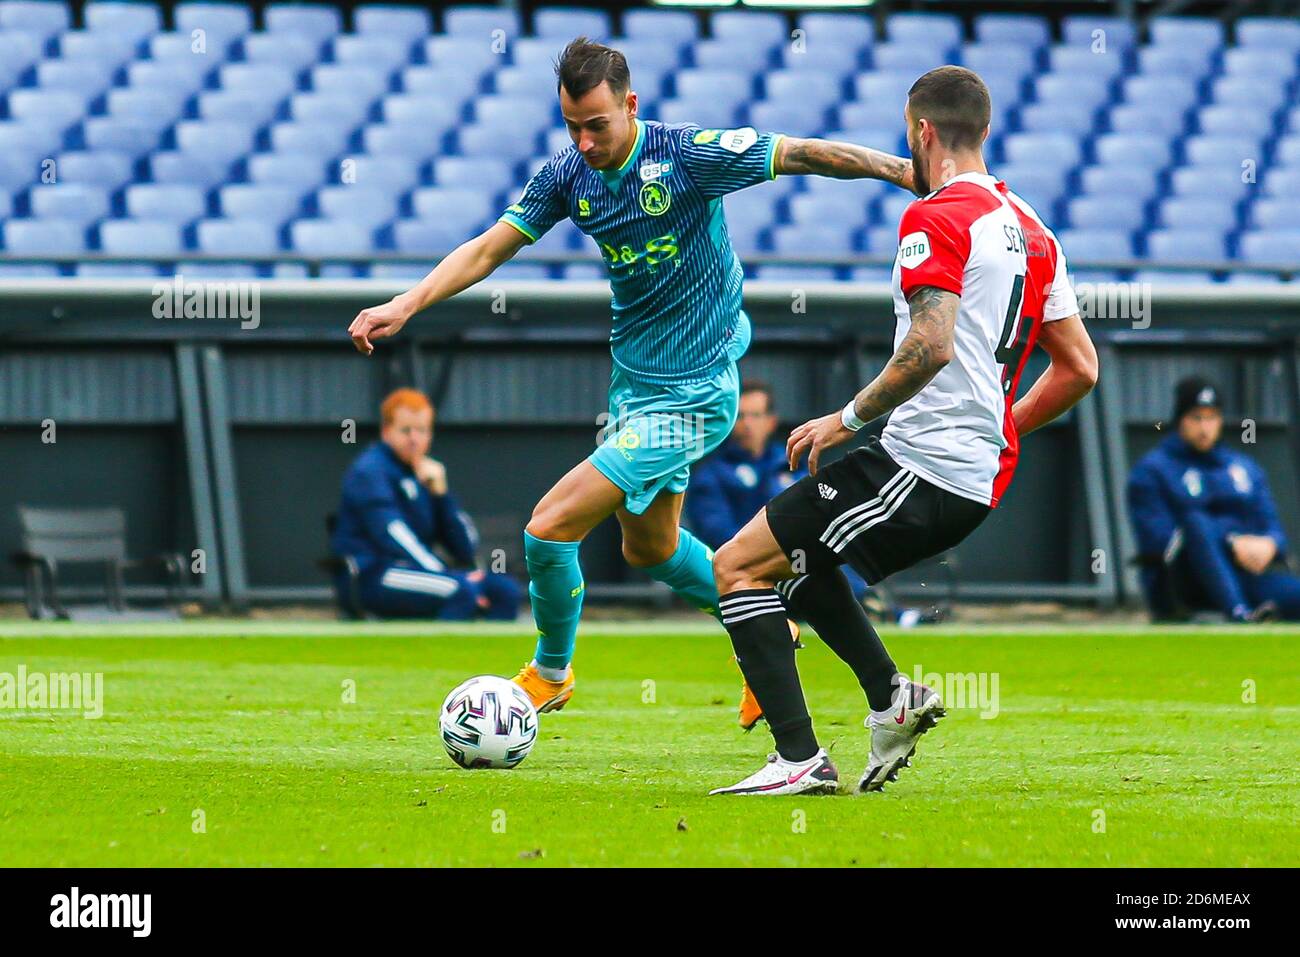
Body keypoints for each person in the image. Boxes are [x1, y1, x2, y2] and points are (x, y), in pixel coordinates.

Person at [346, 38, 918, 714]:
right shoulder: (568, 176)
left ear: (631, 104)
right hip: (636, 390)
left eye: (597, 124)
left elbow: (799, 153)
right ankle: (772, 624)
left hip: (697, 392)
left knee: (547, 527)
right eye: (571, 126)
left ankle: (551, 671)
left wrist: (904, 171)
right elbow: (488, 248)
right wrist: (406, 303)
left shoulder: (687, 155)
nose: (584, 141)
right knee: (654, 547)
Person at [706, 66, 1099, 796]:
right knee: (796, 565)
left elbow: (931, 345)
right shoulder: (1034, 230)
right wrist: (999, 426)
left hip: (922, 467)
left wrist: (844, 417)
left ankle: (800, 759)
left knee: (737, 566)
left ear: (921, 132)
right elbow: (1079, 367)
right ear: (982, 130)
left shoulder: (936, 217)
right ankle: (892, 699)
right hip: (960, 470)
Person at [331, 388, 521, 620]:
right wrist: (447, 573)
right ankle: (443, 655)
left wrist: (441, 494)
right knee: (461, 590)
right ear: (386, 431)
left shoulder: (425, 473)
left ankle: (488, 657)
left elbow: (466, 547)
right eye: (405, 430)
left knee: (505, 591)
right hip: (372, 574)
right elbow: (393, 535)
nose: (414, 438)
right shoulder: (370, 471)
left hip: (418, 571)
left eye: (421, 430)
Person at [1128, 377, 1300, 622]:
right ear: (1180, 421)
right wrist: (1231, 541)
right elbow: (1162, 541)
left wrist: (1269, 544)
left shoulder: (1244, 468)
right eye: (1196, 417)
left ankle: (1244, 610)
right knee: (1195, 521)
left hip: (1246, 574)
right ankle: (1239, 613)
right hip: (1183, 583)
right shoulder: (1152, 470)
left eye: (1212, 417)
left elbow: (1274, 528)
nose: (1204, 427)